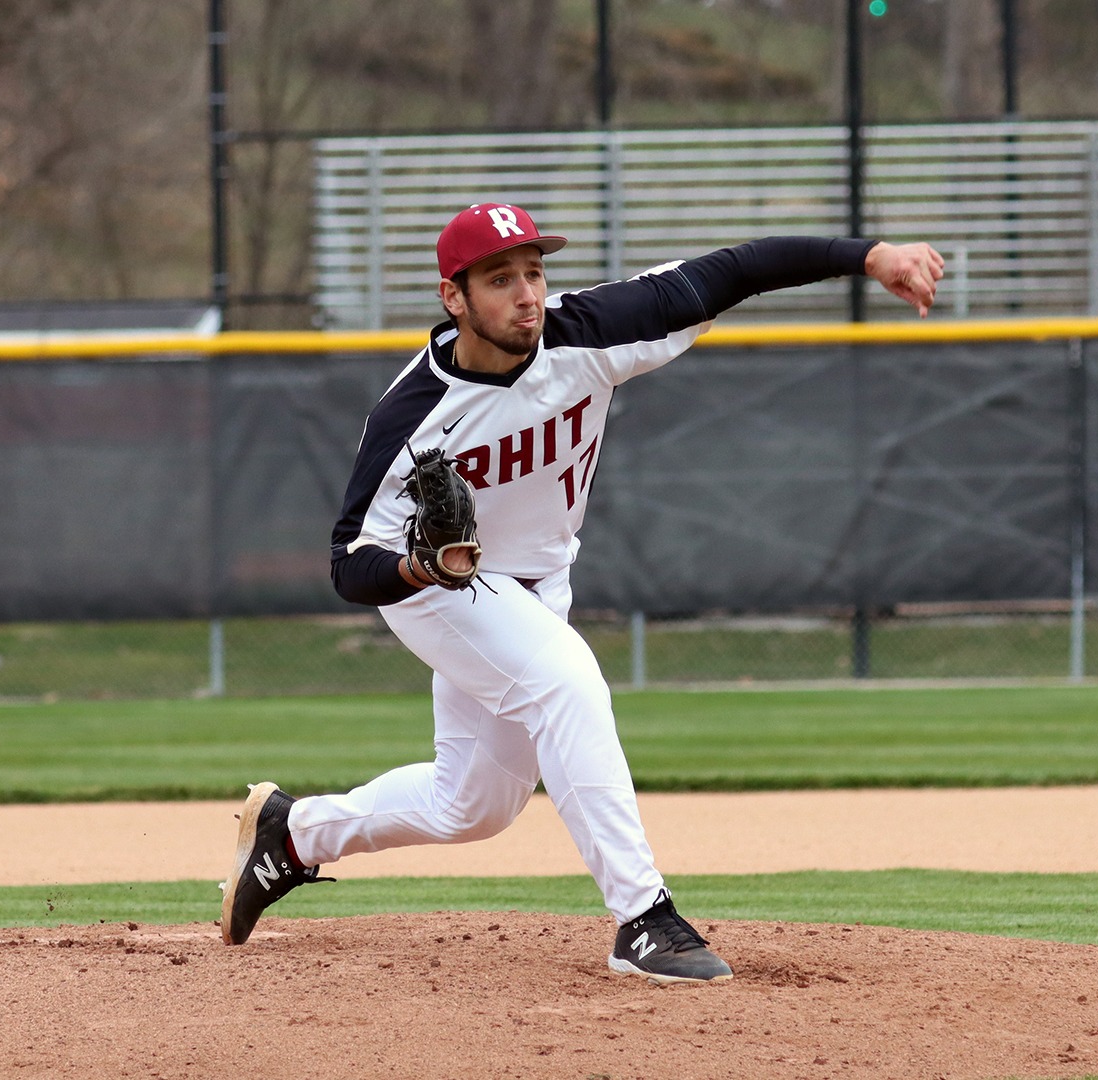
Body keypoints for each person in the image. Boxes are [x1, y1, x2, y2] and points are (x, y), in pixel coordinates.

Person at [220, 202, 944, 983]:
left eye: (535, 272)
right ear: (453, 298)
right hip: (440, 592)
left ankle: (291, 835)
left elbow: (732, 270)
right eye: (500, 280)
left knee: (474, 806)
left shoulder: (592, 329)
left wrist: (870, 255)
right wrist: (421, 568)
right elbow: (348, 562)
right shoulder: (413, 416)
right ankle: (644, 919)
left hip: (539, 587)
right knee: (567, 682)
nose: (527, 294)